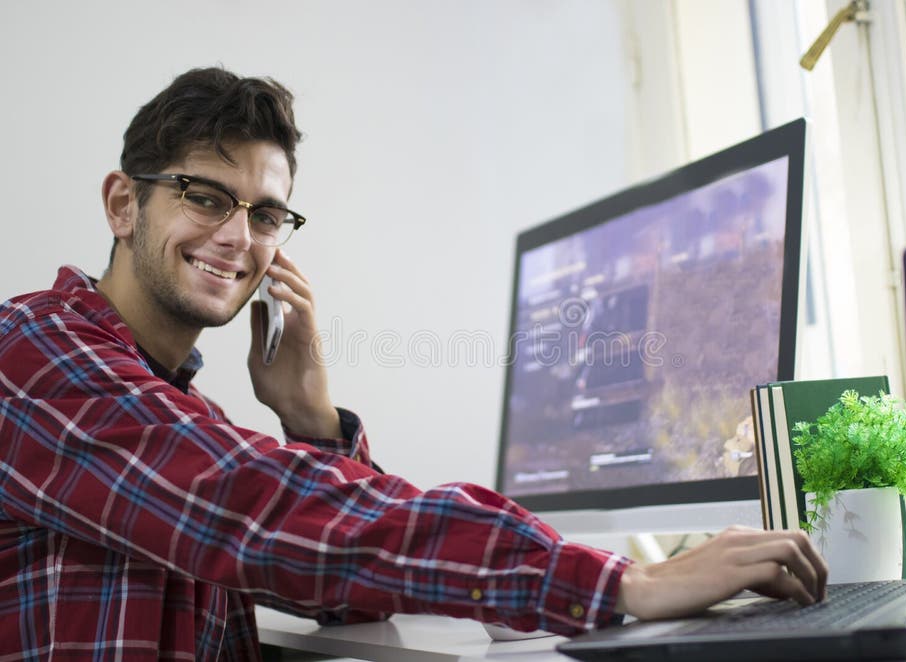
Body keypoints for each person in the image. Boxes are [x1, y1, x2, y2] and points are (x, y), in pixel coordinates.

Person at [0, 67, 827, 660]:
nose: (238, 238)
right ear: (122, 203)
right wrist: (620, 584)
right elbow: (259, 511)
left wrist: (313, 424)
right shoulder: (32, 360)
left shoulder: (179, 412)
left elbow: (337, 588)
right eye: (206, 196)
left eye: (267, 214)